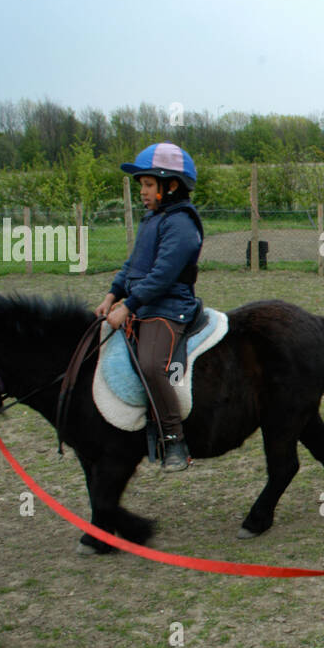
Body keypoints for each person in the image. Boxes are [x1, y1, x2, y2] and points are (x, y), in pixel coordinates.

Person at [95, 142, 205, 471]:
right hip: (143, 305)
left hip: (170, 309)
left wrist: (128, 306)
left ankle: (174, 439)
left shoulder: (182, 224)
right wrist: (112, 295)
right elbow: (134, 264)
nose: (141, 191)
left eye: (147, 184)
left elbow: (161, 276)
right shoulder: (152, 219)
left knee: (151, 364)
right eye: (141, 185)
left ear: (170, 186)